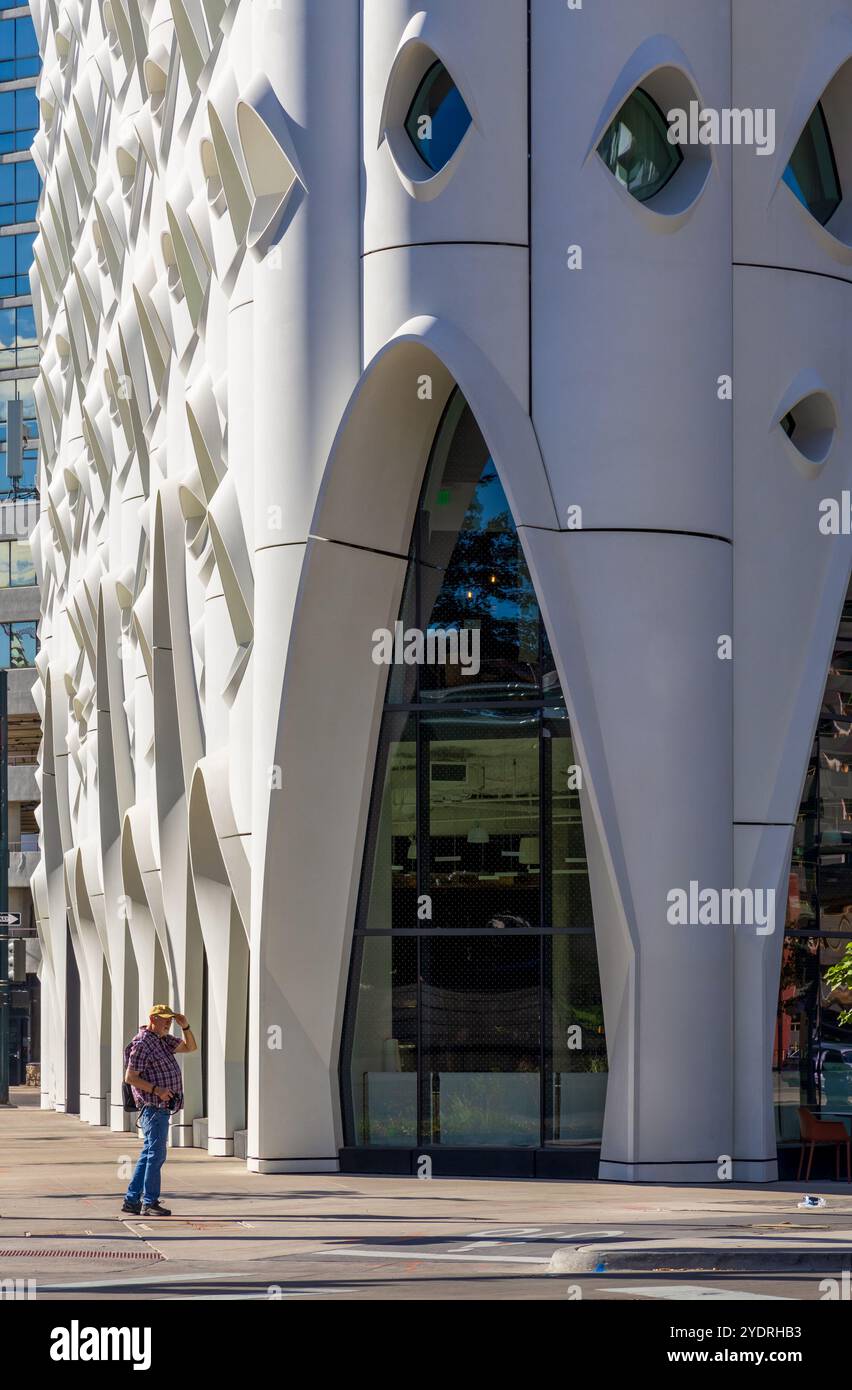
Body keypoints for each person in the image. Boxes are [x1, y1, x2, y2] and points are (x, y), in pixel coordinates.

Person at [121, 1005, 197, 1217]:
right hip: (153, 1107)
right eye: (165, 1019)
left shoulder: (162, 1040)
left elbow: (190, 1047)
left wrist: (186, 1026)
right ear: (153, 1018)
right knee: (156, 1154)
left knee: (149, 1154)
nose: (168, 1023)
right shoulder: (144, 1042)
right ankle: (149, 1201)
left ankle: (132, 1200)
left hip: (161, 1107)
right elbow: (131, 1077)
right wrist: (158, 1090)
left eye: (170, 1020)